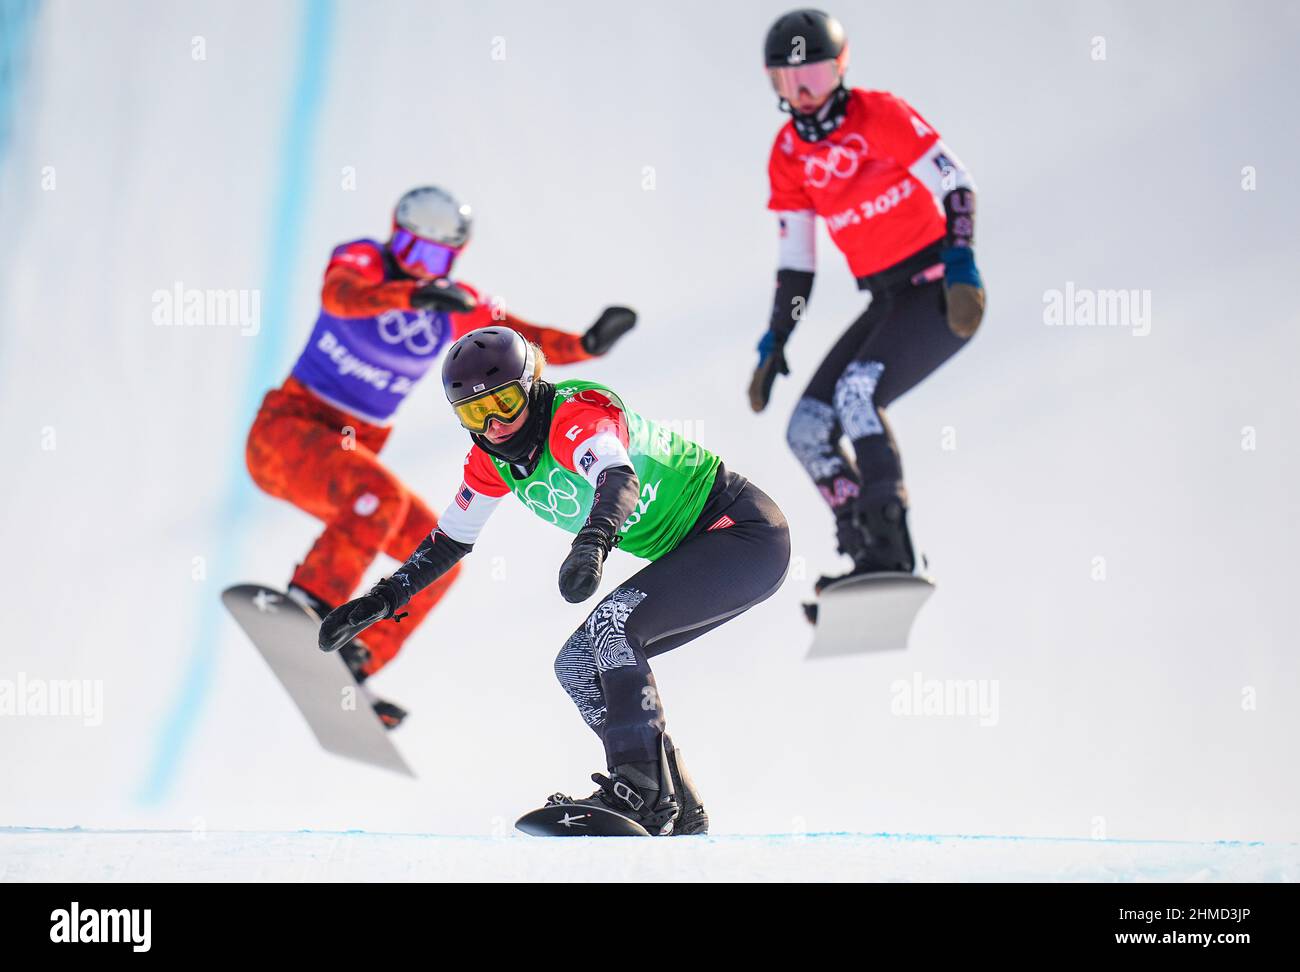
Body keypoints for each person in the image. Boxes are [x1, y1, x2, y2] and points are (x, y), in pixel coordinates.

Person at [317, 327, 791, 835]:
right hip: (702, 546)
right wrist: (384, 598)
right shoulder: (490, 459)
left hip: (741, 532)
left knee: (613, 626)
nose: (494, 425)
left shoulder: (576, 416)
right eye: (475, 414)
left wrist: (592, 542)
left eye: (503, 403)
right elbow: (449, 541)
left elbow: (618, 478)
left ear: (531, 384)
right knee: (577, 664)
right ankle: (676, 800)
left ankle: (641, 791)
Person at [245, 186, 636, 726]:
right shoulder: (364, 260)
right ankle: (307, 605)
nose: (420, 267)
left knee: (432, 555)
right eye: (413, 251)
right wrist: (413, 297)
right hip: (287, 433)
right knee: (375, 495)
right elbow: (341, 296)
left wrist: (587, 343)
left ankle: (357, 659)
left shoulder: (455, 302)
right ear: (394, 237)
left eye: (437, 258)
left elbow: (518, 340)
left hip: (348, 458)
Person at [750, 9, 985, 595]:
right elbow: (798, 262)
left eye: (817, 77)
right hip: (885, 300)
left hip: (938, 291)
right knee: (806, 428)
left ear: (842, 70)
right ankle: (865, 550)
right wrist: (777, 339)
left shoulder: (878, 115)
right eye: (788, 81)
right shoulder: (788, 155)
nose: (804, 95)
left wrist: (961, 266)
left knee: (857, 394)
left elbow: (955, 182)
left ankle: (894, 547)